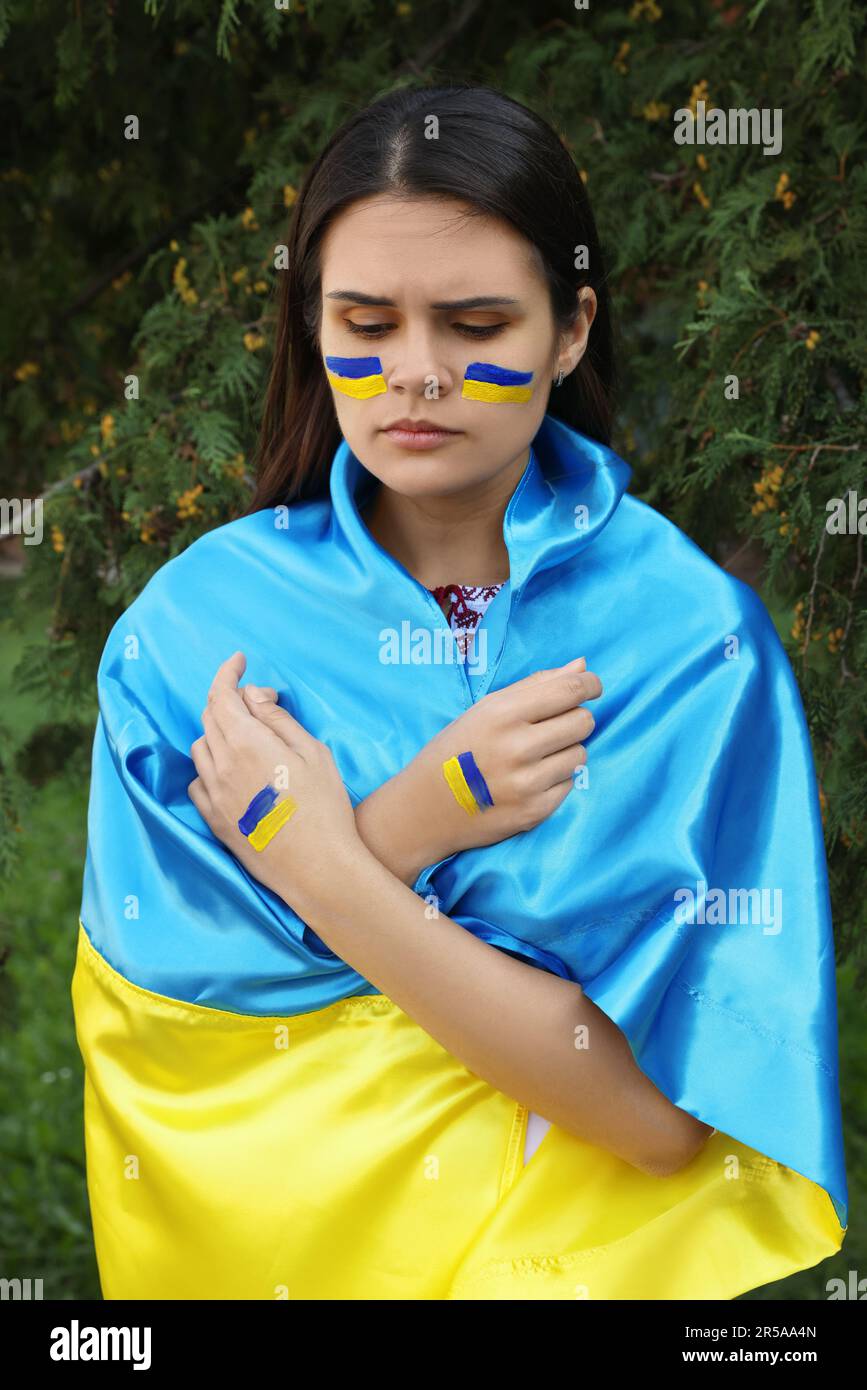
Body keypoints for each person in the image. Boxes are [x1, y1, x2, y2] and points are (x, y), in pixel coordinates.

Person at [72, 83, 847, 1300]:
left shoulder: (692, 640)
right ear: (310, 325)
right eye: (365, 323)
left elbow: (658, 1118)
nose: (416, 375)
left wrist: (324, 860)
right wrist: (424, 816)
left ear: (571, 329)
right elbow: (179, 1031)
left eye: (477, 324)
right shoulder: (190, 632)